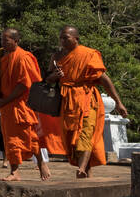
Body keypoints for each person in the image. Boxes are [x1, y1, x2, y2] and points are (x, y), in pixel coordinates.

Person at [45, 25, 128, 178]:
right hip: (67, 101)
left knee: (85, 133)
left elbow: (104, 79)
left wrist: (118, 102)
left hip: (86, 98)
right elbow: (48, 80)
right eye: (61, 38)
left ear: (76, 38)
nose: (62, 41)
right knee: (71, 137)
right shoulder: (56, 57)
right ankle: (86, 170)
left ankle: (81, 168)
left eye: (66, 38)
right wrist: (55, 76)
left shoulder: (88, 54)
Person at [0, 28, 50, 182]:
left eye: (6, 40)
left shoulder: (23, 57)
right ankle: (15, 172)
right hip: (6, 106)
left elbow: (24, 85)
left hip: (21, 104)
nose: (3, 43)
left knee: (30, 137)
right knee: (10, 139)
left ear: (16, 41)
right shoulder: (4, 57)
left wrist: (6, 100)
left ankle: (41, 164)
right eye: (1, 40)